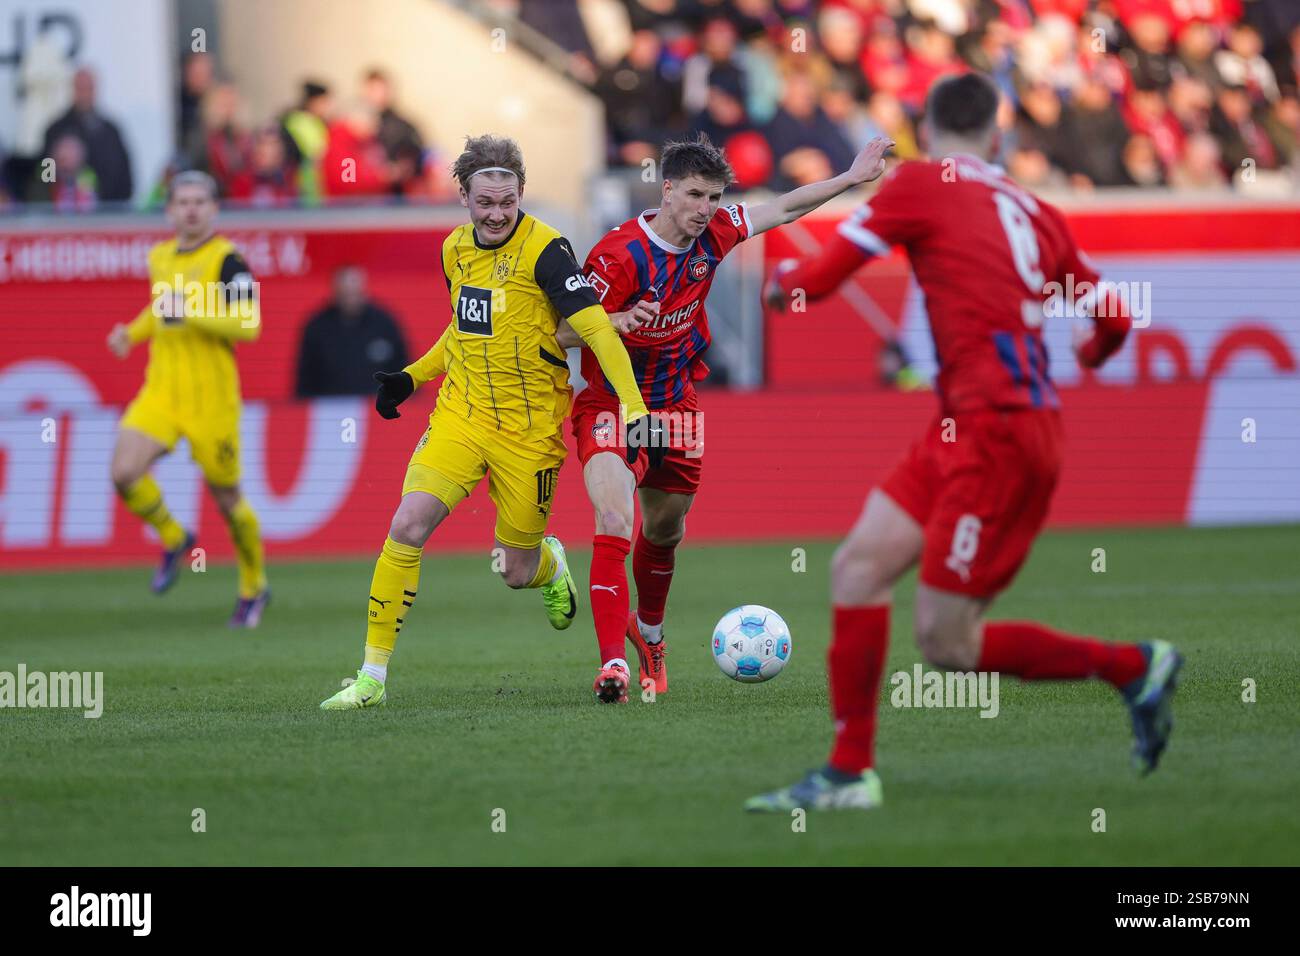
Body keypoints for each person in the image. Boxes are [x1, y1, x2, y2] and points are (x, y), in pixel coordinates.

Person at [746, 73, 1181, 812]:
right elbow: (1110, 316)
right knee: (856, 570)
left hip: (1001, 433)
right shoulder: (1033, 207)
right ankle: (850, 775)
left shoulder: (918, 184)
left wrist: (781, 283)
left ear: (926, 126)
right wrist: (1089, 358)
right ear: (996, 132)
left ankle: (1134, 665)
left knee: (947, 646)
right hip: (971, 425)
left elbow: (815, 283)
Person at [319, 135, 657, 710]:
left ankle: (551, 567)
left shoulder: (548, 251)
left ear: (521, 194)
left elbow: (597, 328)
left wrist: (634, 406)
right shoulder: (454, 250)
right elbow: (464, 331)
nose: (497, 213)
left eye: (508, 201)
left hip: (530, 432)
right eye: (485, 203)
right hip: (462, 414)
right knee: (407, 524)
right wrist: (412, 376)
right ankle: (371, 678)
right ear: (463, 198)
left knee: (515, 570)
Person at [554, 132, 893, 704]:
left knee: (665, 529)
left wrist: (850, 179)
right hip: (613, 404)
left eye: (713, 197)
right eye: (693, 195)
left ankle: (651, 636)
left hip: (677, 404)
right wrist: (614, 321)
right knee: (614, 518)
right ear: (666, 190)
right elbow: (561, 331)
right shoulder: (616, 256)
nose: (704, 209)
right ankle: (612, 663)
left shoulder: (717, 231)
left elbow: (785, 206)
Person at [105, 171, 269, 627]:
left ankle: (254, 586)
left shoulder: (229, 262)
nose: (192, 209)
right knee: (123, 471)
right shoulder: (159, 257)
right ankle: (176, 537)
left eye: (200, 201)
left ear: (214, 209)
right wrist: (131, 334)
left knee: (228, 499)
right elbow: (161, 309)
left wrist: (192, 311)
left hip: (211, 401)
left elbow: (250, 325)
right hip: (161, 391)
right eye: (183, 202)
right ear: (170, 209)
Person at [295, 265, 410, 397]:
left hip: (377, 407)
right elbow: (305, 379)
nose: (351, 300)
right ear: (335, 293)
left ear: (364, 291)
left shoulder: (384, 324)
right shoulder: (317, 328)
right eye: (345, 294)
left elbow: (404, 372)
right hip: (330, 409)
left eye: (355, 294)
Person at [41, 68, 133, 202]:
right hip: (62, 215)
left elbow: (124, 176)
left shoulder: (111, 132)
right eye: (80, 88)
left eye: (88, 88)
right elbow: (45, 176)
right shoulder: (55, 131)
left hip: (106, 212)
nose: (84, 94)